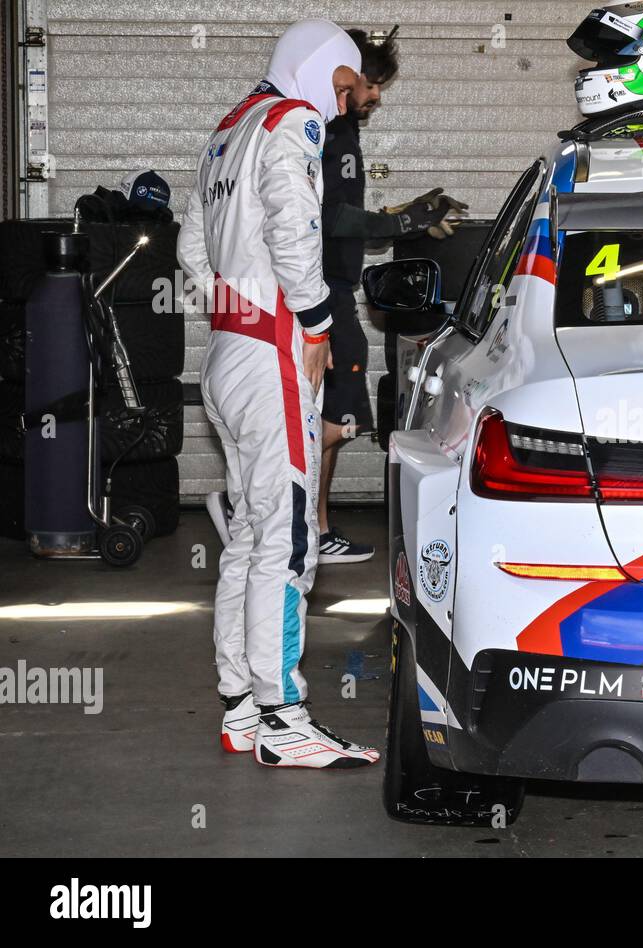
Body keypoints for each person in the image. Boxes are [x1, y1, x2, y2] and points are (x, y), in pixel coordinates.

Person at [178, 18, 380, 768]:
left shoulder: (230, 128)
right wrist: (317, 322)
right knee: (289, 540)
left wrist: (239, 303)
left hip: (228, 350)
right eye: (341, 85)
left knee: (248, 537)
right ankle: (283, 716)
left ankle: (241, 707)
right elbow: (296, 228)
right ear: (314, 67)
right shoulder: (292, 122)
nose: (342, 102)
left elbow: (190, 247)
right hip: (273, 355)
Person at [314, 26, 467, 563]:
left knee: (328, 418)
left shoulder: (339, 131)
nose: (376, 95)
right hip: (322, 293)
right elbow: (329, 218)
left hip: (328, 287)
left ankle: (304, 523)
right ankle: (281, 514)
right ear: (345, 77)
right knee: (333, 421)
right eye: (371, 83)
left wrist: (401, 219)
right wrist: (404, 221)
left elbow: (346, 221)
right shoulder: (328, 130)